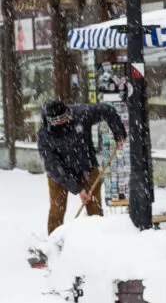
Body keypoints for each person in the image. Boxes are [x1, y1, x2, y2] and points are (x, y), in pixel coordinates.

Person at [37, 100, 126, 235]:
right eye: (57, 121)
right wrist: (77, 188)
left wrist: (119, 134)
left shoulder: (81, 114)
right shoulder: (44, 135)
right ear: (50, 121)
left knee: (94, 206)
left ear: (68, 114)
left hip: (87, 167)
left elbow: (107, 110)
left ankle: (97, 237)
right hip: (60, 174)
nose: (62, 123)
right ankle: (54, 243)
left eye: (64, 119)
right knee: (57, 209)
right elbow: (53, 166)